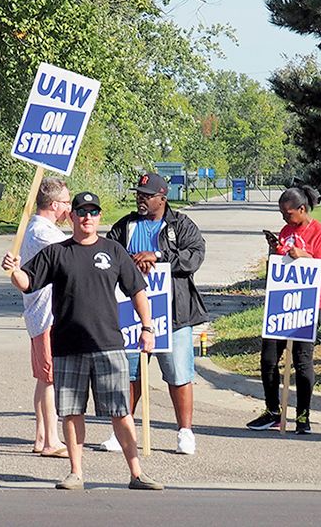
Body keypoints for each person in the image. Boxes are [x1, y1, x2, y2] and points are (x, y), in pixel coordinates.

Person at [3, 192, 164, 491]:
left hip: (108, 345)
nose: (87, 217)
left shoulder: (113, 251)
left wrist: (147, 328)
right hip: (68, 346)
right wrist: (13, 270)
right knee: (72, 412)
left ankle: (137, 474)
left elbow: (138, 292)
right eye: (81, 212)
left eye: (93, 212)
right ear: (72, 216)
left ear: (99, 217)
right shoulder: (57, 252)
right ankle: (76, 472)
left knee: (120, 412)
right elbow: (27, 282)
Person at [101, 173, 208, 455]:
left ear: (163, 197)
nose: (141, 199)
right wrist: (129, 262)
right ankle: (122, 431)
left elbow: (195, 256)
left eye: (147, 195)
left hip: (173, 314)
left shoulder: (180, 225)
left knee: (178, 373)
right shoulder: (125, 226)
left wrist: (158, 256)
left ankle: (185, 431)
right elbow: (107, 255)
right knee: (129, 374)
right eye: (139, 194)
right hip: (130, 315)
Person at [246, 185, 321, 435]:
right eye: (282, 214)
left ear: (302, 209)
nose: (285, 219)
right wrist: (275, 251)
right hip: (281, 302)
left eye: (288, 214)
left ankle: (303, 416)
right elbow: (280, 265)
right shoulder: (286, 231)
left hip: (309, 303)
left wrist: (304, 255)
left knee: (302, 361)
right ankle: (273, 411)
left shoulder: (320, 234)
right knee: (269, 359)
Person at [16, 177, 70, 457]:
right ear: (55, 204)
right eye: (68, 203)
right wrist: (76, 224)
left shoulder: (40, 228)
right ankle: (51, 439)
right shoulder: (42, 232)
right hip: (47, 314)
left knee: (44, 377)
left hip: (43, 313)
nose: (70, 208)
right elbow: (72, 252)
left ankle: (40, 437)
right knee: (50, 378)